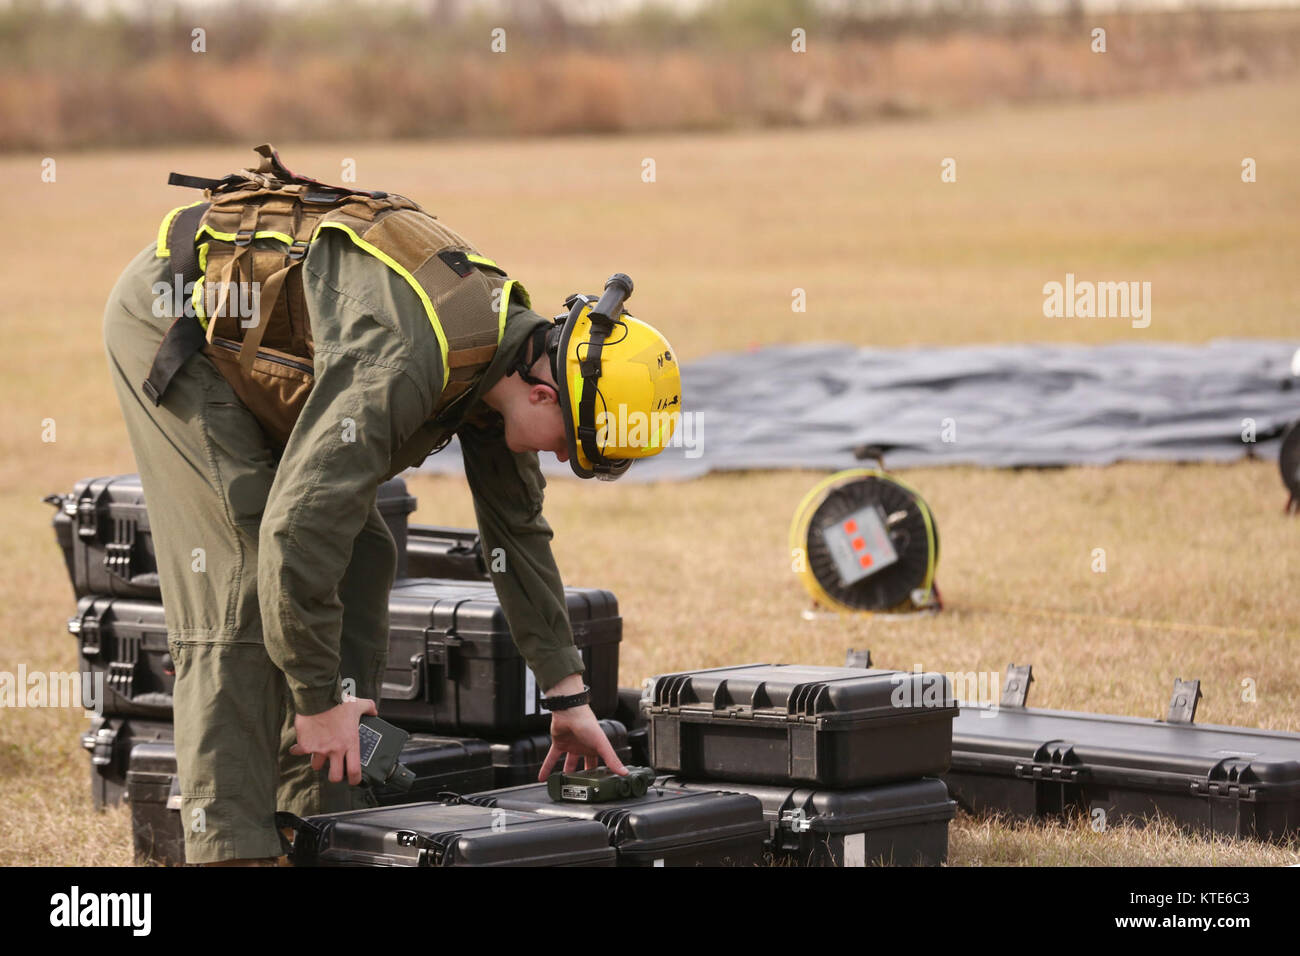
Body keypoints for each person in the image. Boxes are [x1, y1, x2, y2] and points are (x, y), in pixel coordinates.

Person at [102, 145, 681, 865]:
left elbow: (518, 536)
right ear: (545, 391)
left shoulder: (509, 355)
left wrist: (567, 698)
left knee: (365, 550)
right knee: (245, 571)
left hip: (275, 345)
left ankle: (321, 817)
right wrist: (316, 700)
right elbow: (296, 532)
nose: (563, 459)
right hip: (178, 322)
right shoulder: (411, 360)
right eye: (573, 444)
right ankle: (233, 846)